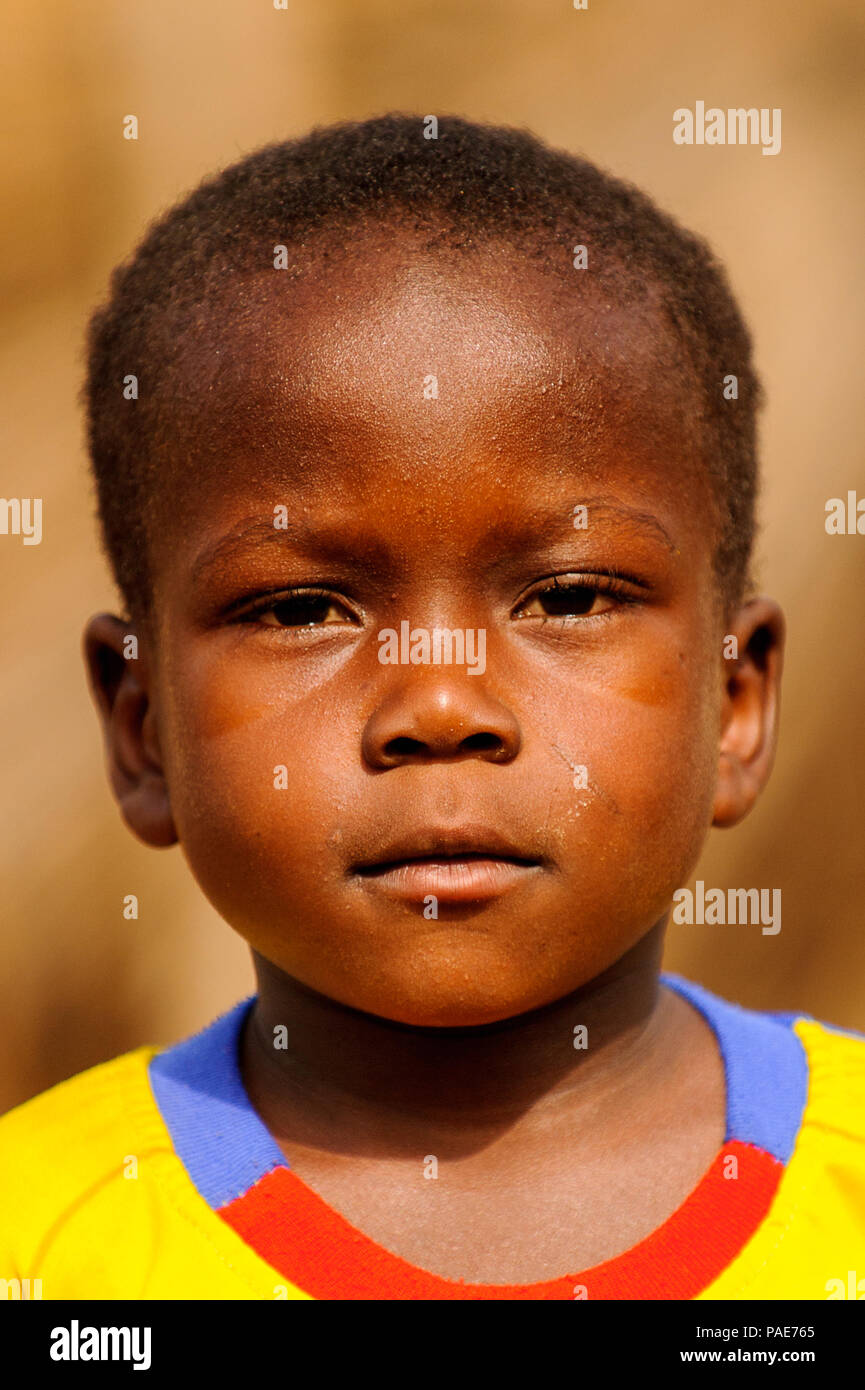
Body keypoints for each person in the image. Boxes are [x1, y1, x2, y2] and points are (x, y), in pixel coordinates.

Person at [2, 114, 863, 1300]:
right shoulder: (44, 1249)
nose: (442, 702)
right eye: (302, 609)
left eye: (566, 594)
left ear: (735, 700)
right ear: (141, 727)